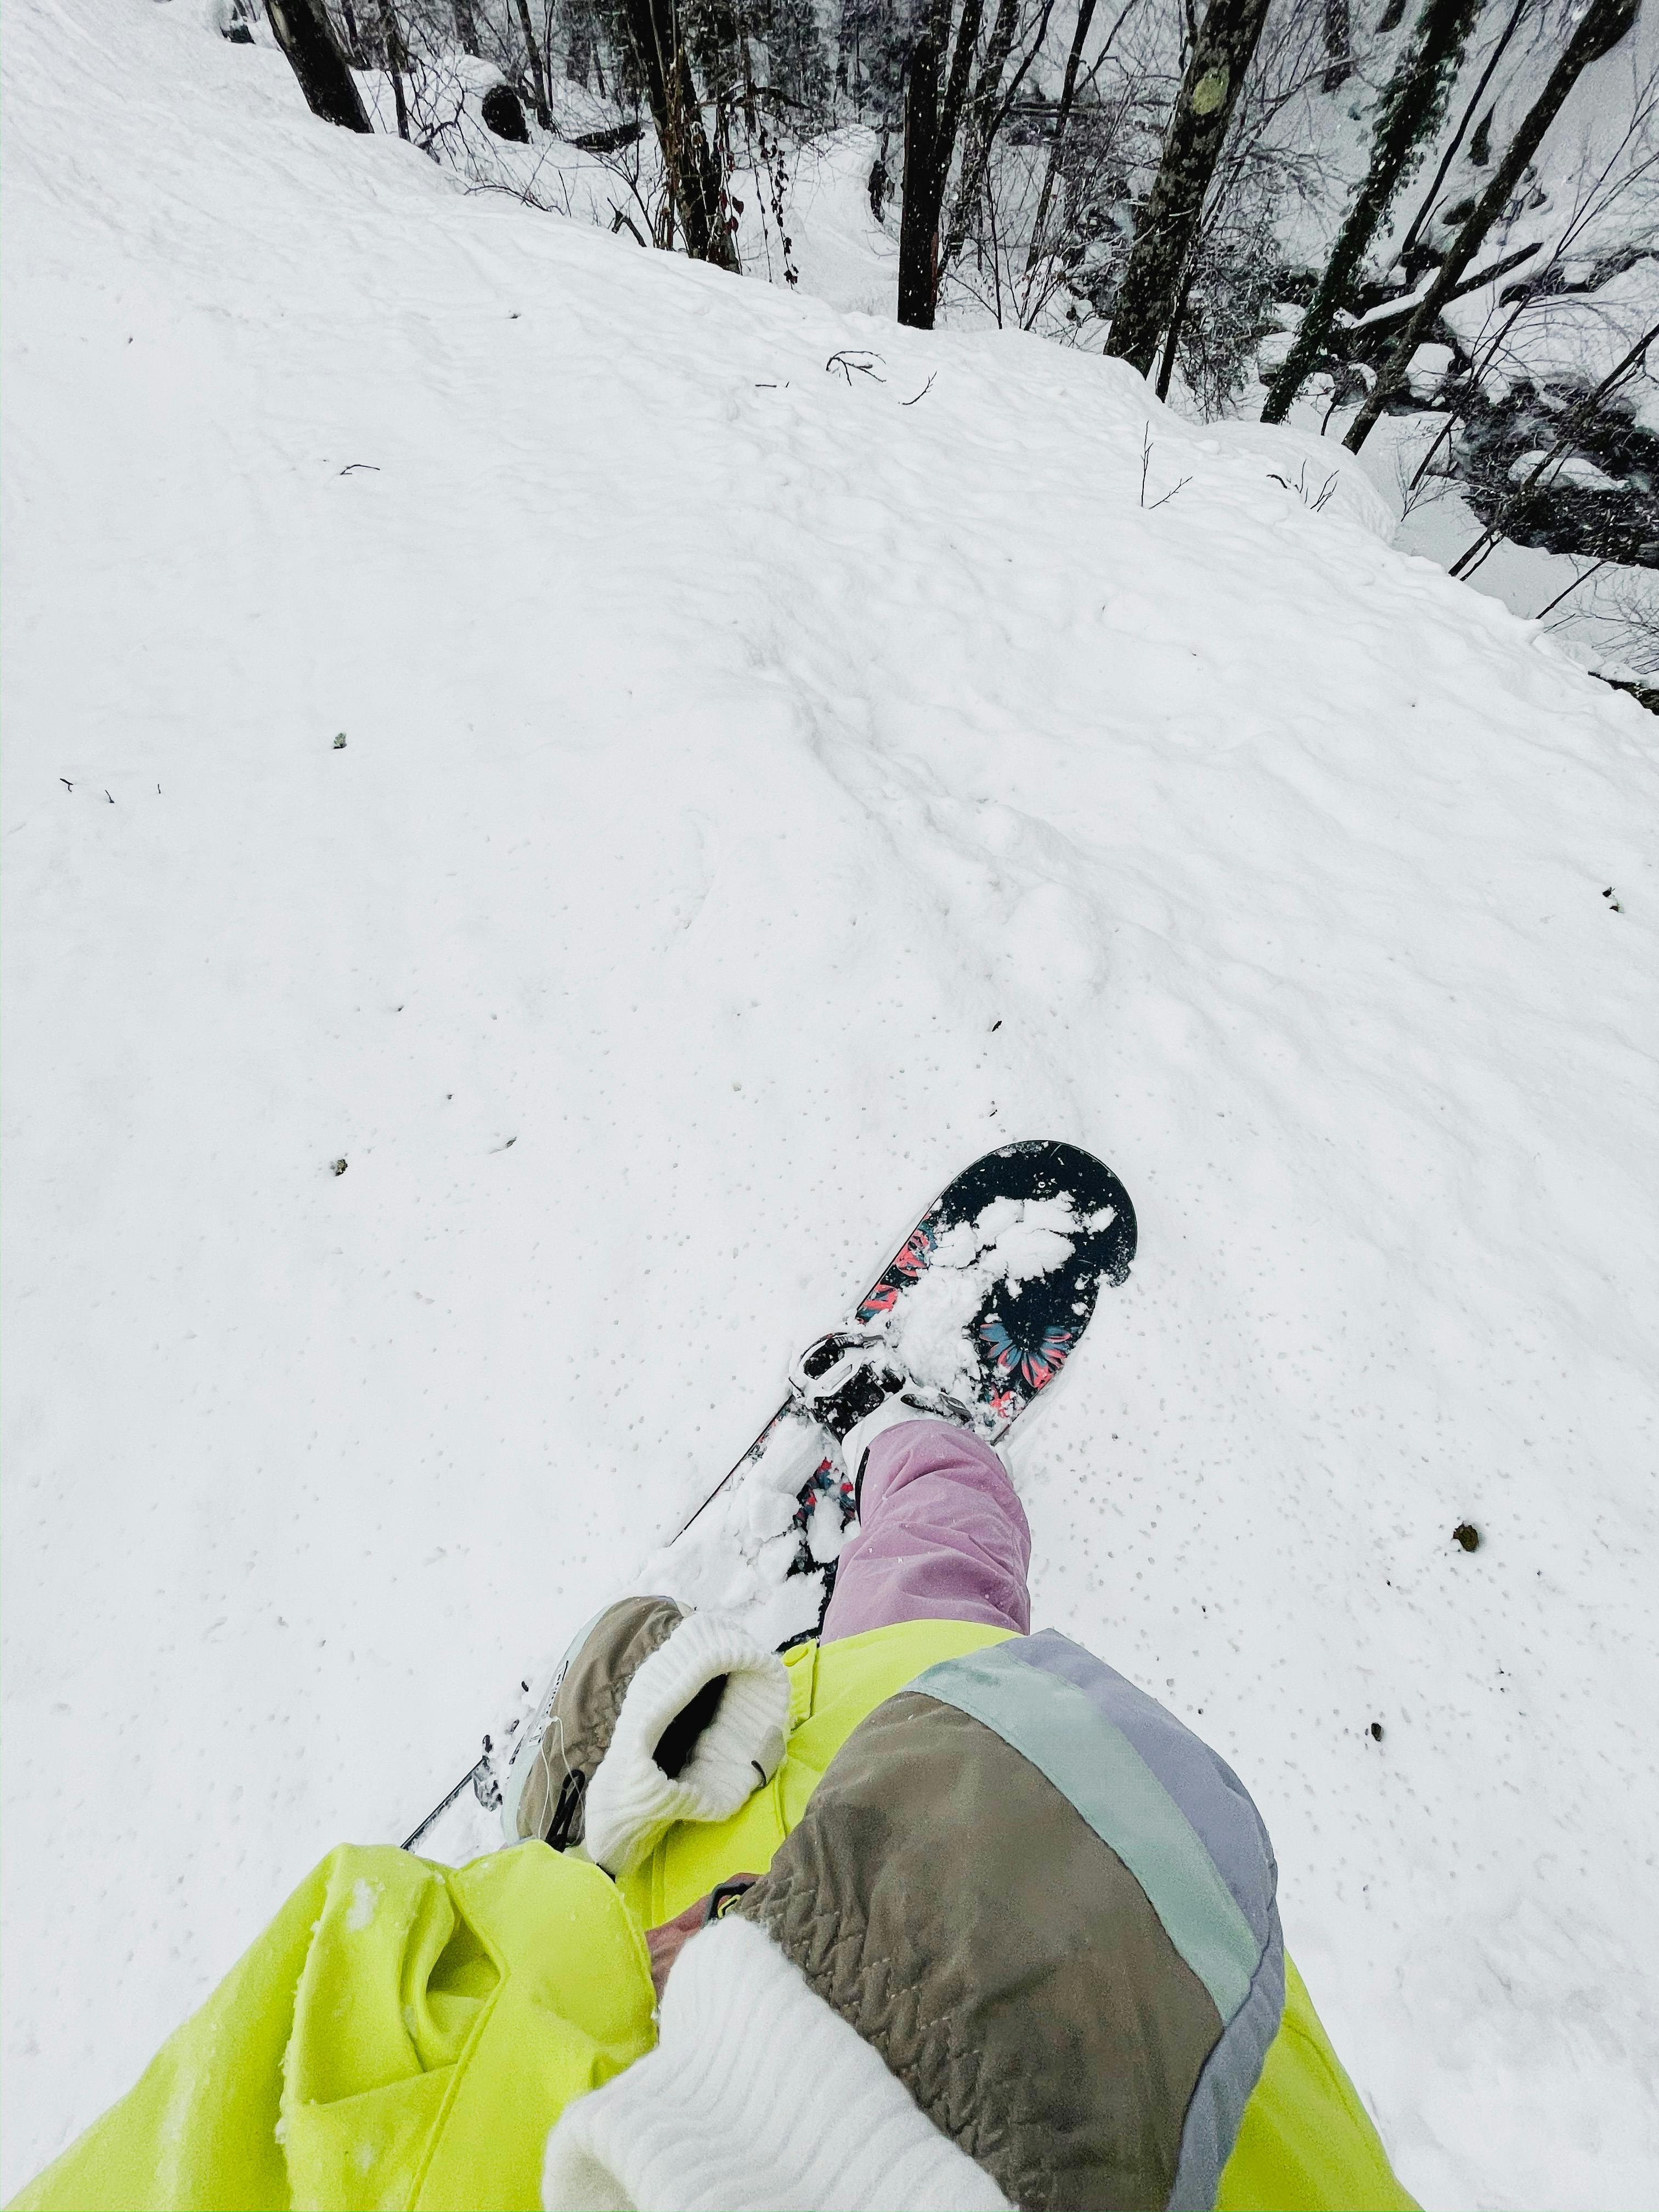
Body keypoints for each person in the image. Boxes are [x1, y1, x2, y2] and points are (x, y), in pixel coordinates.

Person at [11, 1363, 1418, 2212]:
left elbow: (353, 2061)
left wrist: (579, 1879)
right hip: (978, 1842)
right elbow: (369, 2027)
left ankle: (637, 1730)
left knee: (720, 1667)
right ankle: (922, 1450)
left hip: (850, 1869)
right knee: (924, 1584)